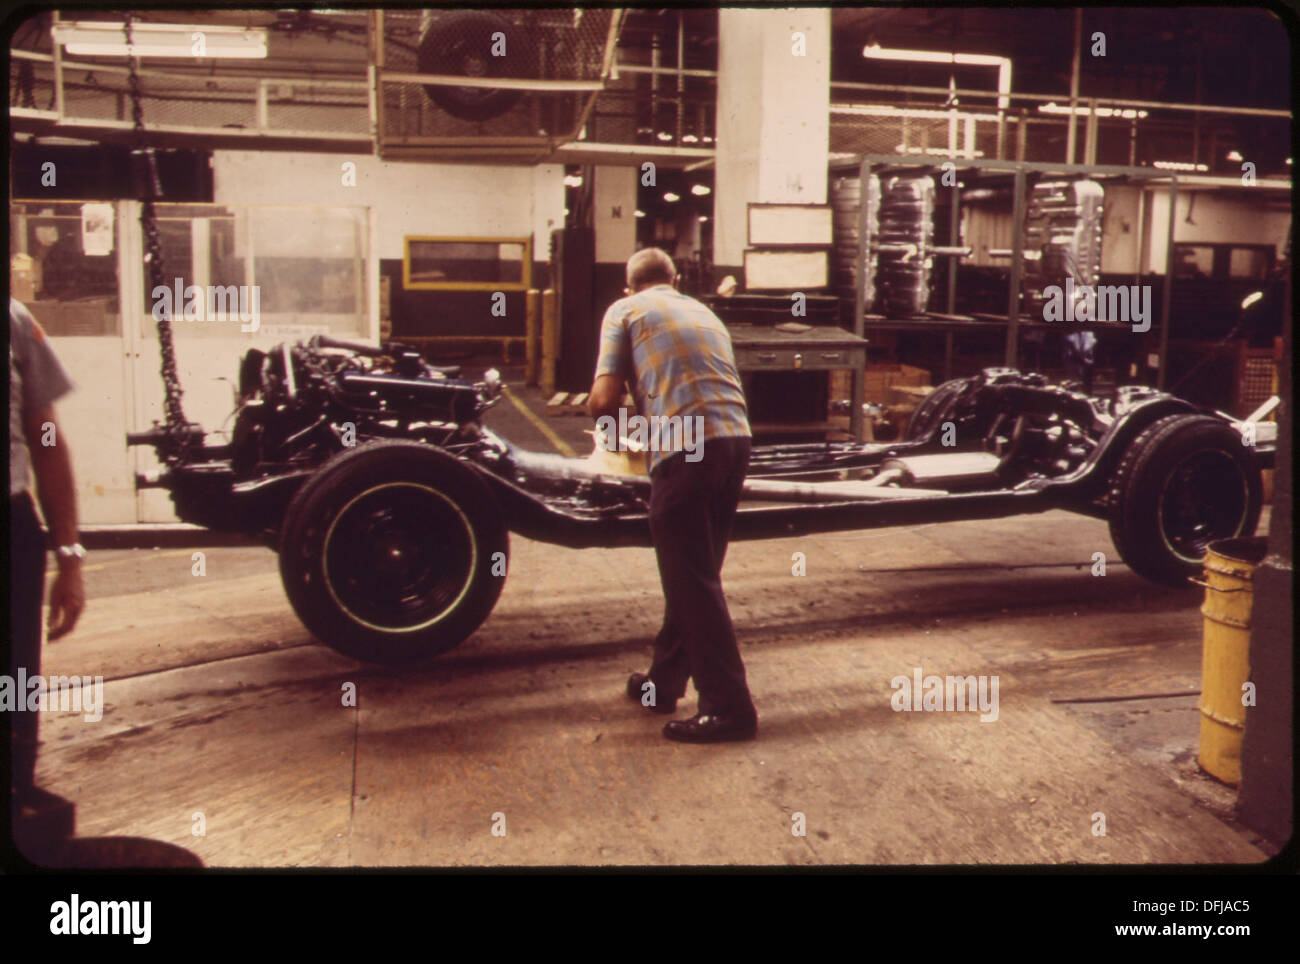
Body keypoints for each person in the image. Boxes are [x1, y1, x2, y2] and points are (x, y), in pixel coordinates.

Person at [586, 248, 757, 743]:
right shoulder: (704, 310)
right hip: (736, 441)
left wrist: (622, 441)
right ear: (675, 280)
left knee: (692, 580)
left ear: (629, 287)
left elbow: (602, 400)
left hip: (686, 446)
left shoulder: (624, 310)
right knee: (695, 575)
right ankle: (661, 686)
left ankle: (730, 708)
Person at [9, 297, 85, 802]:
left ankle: (16, 786)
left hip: (9, 524)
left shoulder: (13, 321)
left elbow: (46, 439)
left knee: (12, 678)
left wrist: (69, 557)